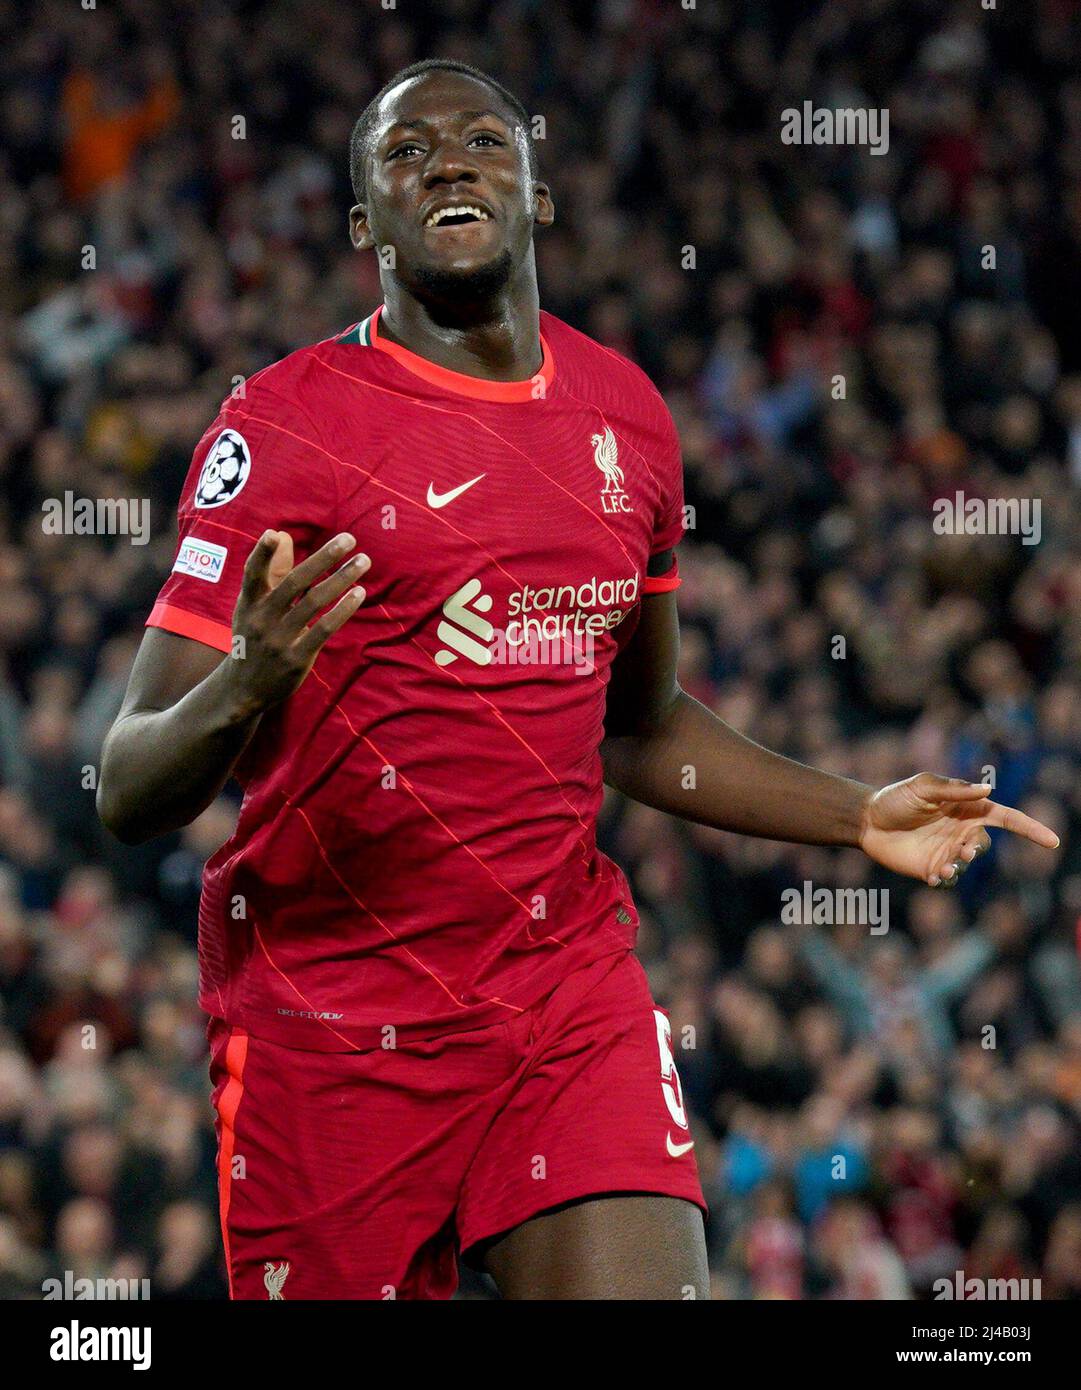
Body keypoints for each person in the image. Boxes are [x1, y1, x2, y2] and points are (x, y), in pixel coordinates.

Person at [96, 59, 1059, 1300]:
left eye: (483, 140)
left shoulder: (628, 420)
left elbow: (641, 728)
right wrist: (245, 684)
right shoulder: (281, 429)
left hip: (562, 995)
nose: (448, 161)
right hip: (330, 1029)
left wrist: (854, 810)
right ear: (362, 226)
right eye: (405, 152)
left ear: (536, 191)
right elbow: (125, 785)